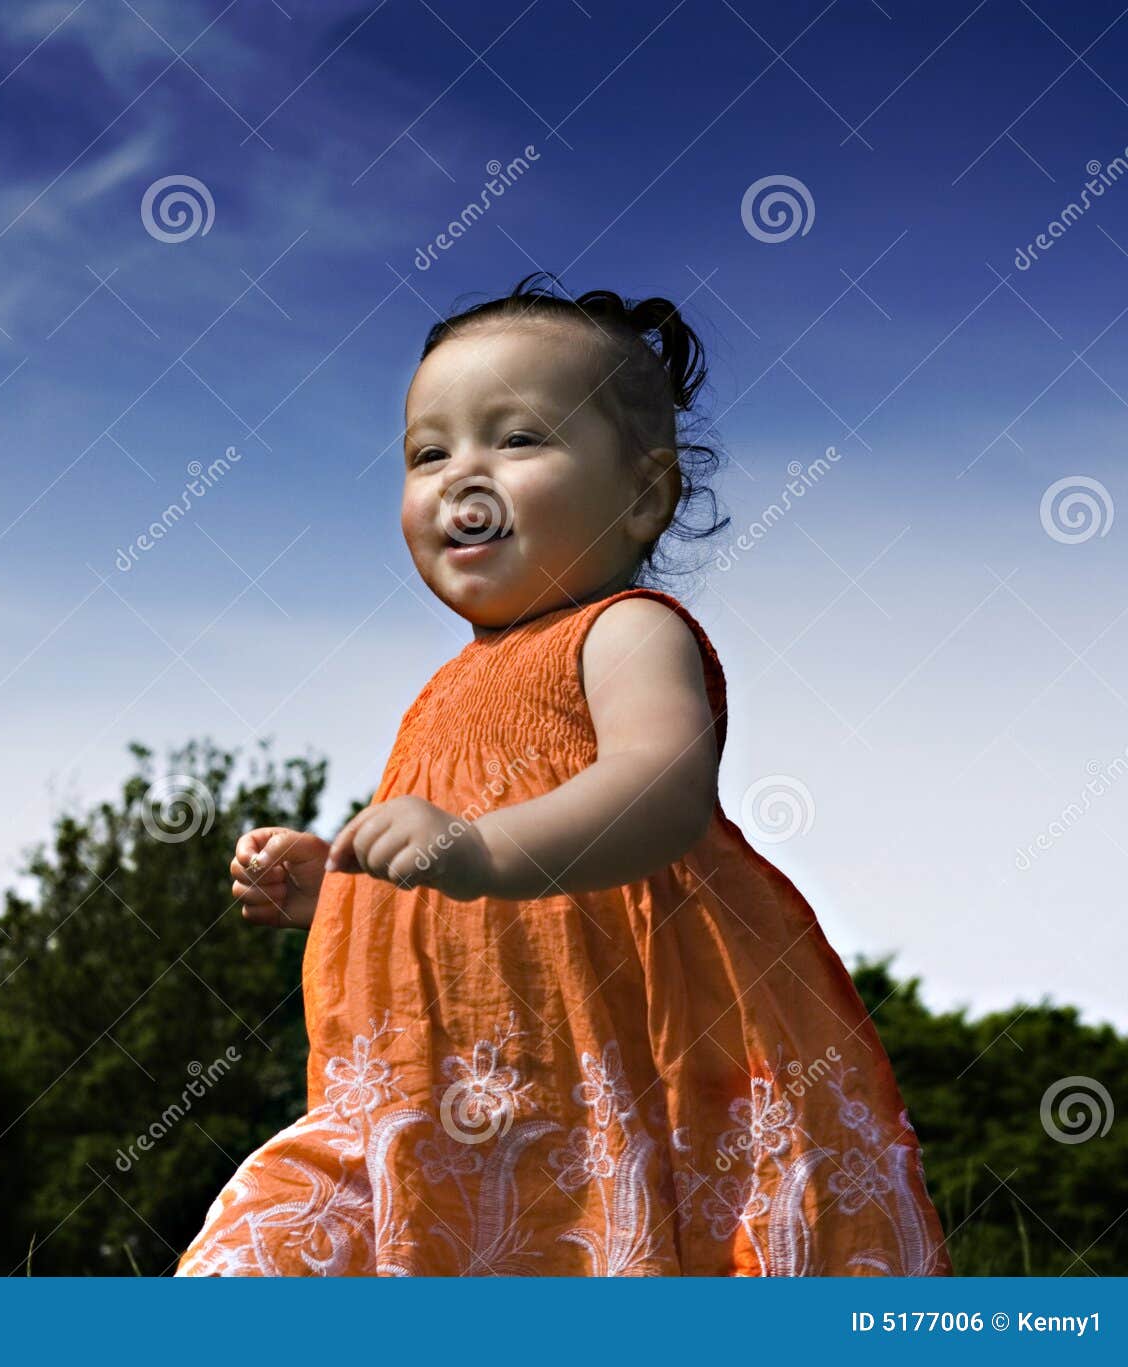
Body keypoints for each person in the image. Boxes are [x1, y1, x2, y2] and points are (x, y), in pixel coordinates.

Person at [174, 272, 951, 1277]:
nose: (462, 472)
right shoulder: (441, 691)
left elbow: (660, 787)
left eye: (517, 438)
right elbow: (445, 883)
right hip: (418, 1094)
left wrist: (480, 847)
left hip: (589, 1079)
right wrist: (347, 888)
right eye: (427, 452)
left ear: (642, 495)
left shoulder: (625, 632)